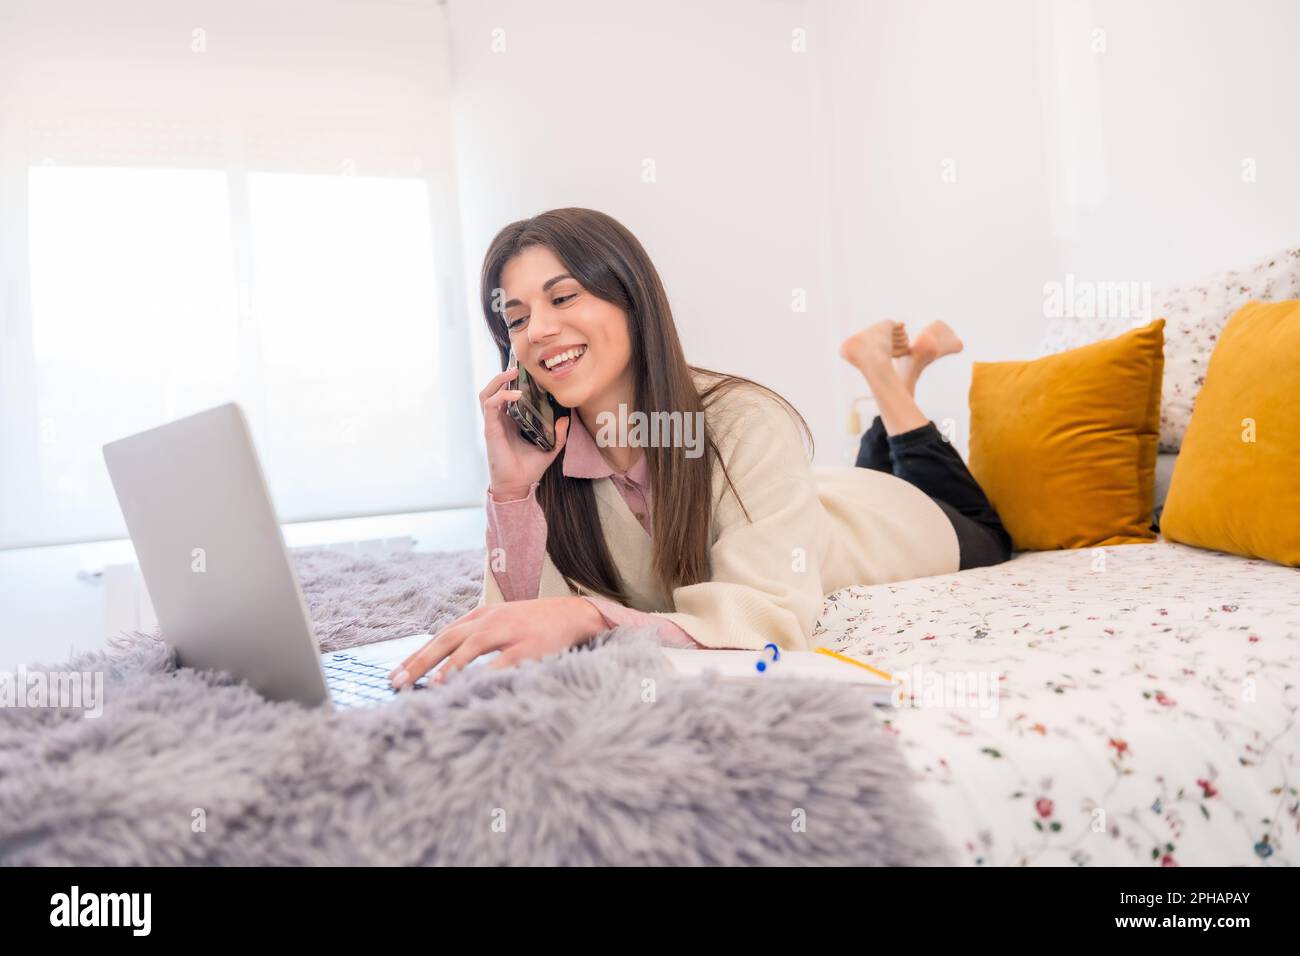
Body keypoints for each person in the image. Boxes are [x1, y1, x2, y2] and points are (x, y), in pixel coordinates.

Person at [389, 208, 1010, 690]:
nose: (540, 330)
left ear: (632, 298)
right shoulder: (546, 449)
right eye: (517, 318)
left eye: (563, 296)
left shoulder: (744, 420)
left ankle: (890, 375)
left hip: (894, 520)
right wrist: (512, 492)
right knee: (847, 469)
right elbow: (512, 627)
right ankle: (893, 381)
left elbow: (763, 623)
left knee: (989, 525)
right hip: (803, 499)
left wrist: (592, 619)